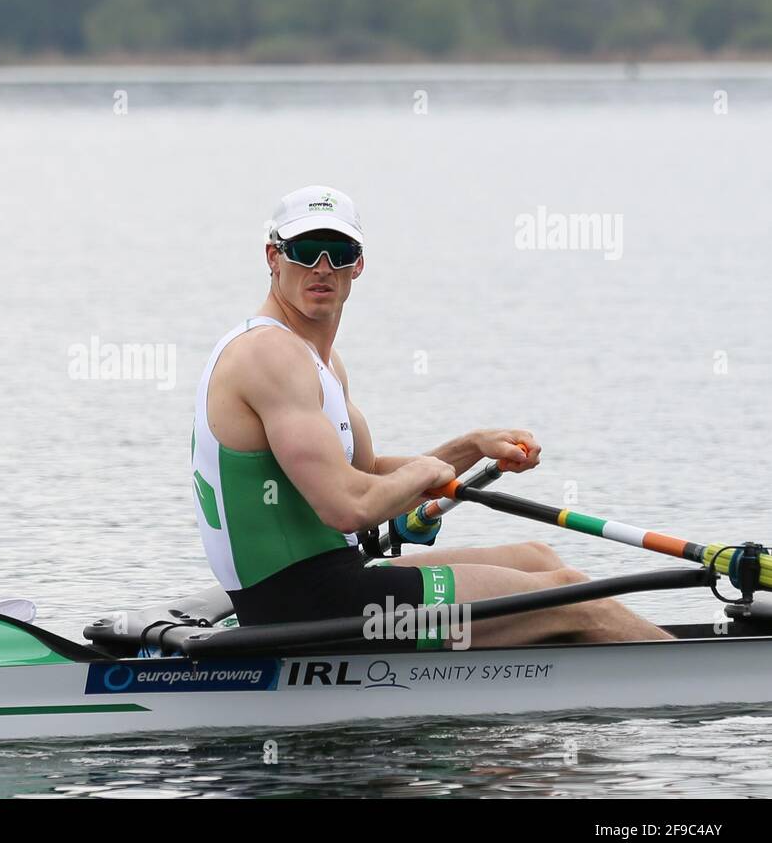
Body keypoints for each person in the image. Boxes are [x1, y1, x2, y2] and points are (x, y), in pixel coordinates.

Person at [190, 185, 670, 646]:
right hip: (304, 608)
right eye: (305, 250)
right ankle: (698, 681)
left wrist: (472, 447)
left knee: (538, 558)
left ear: (357, 265)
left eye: (338, 252)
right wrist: (425, 471)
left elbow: (367, 478)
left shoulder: (321, 361)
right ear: (273, 257)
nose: (322, 267)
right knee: (571, 596)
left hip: (337, 582)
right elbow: (348, 508)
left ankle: (574, 662)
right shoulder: (268, 353)